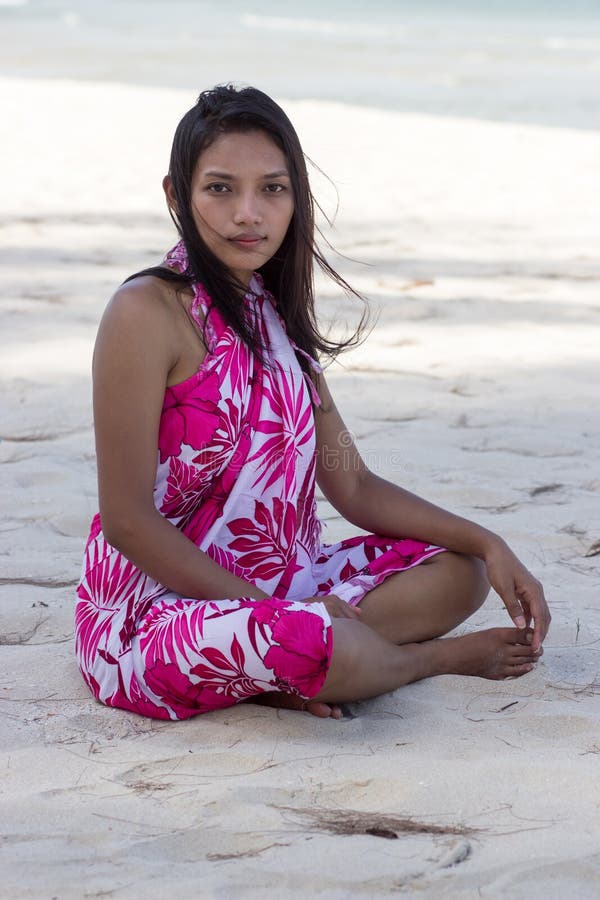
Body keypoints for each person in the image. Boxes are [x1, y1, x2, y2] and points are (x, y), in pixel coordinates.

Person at [75, 84, 551, 722]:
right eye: (220, 188)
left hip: (280, 583)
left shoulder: (275, 320)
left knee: (459, 571)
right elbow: (128, 520)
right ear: (176, 196)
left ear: (295, 198)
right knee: (308, 637)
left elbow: (350, 482)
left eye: (272, 189)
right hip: (155, 613)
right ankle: (424, 660)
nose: (249, 213)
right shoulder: (146, 312)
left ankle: (316, 666)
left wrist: (492, 543)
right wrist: (271, 613)